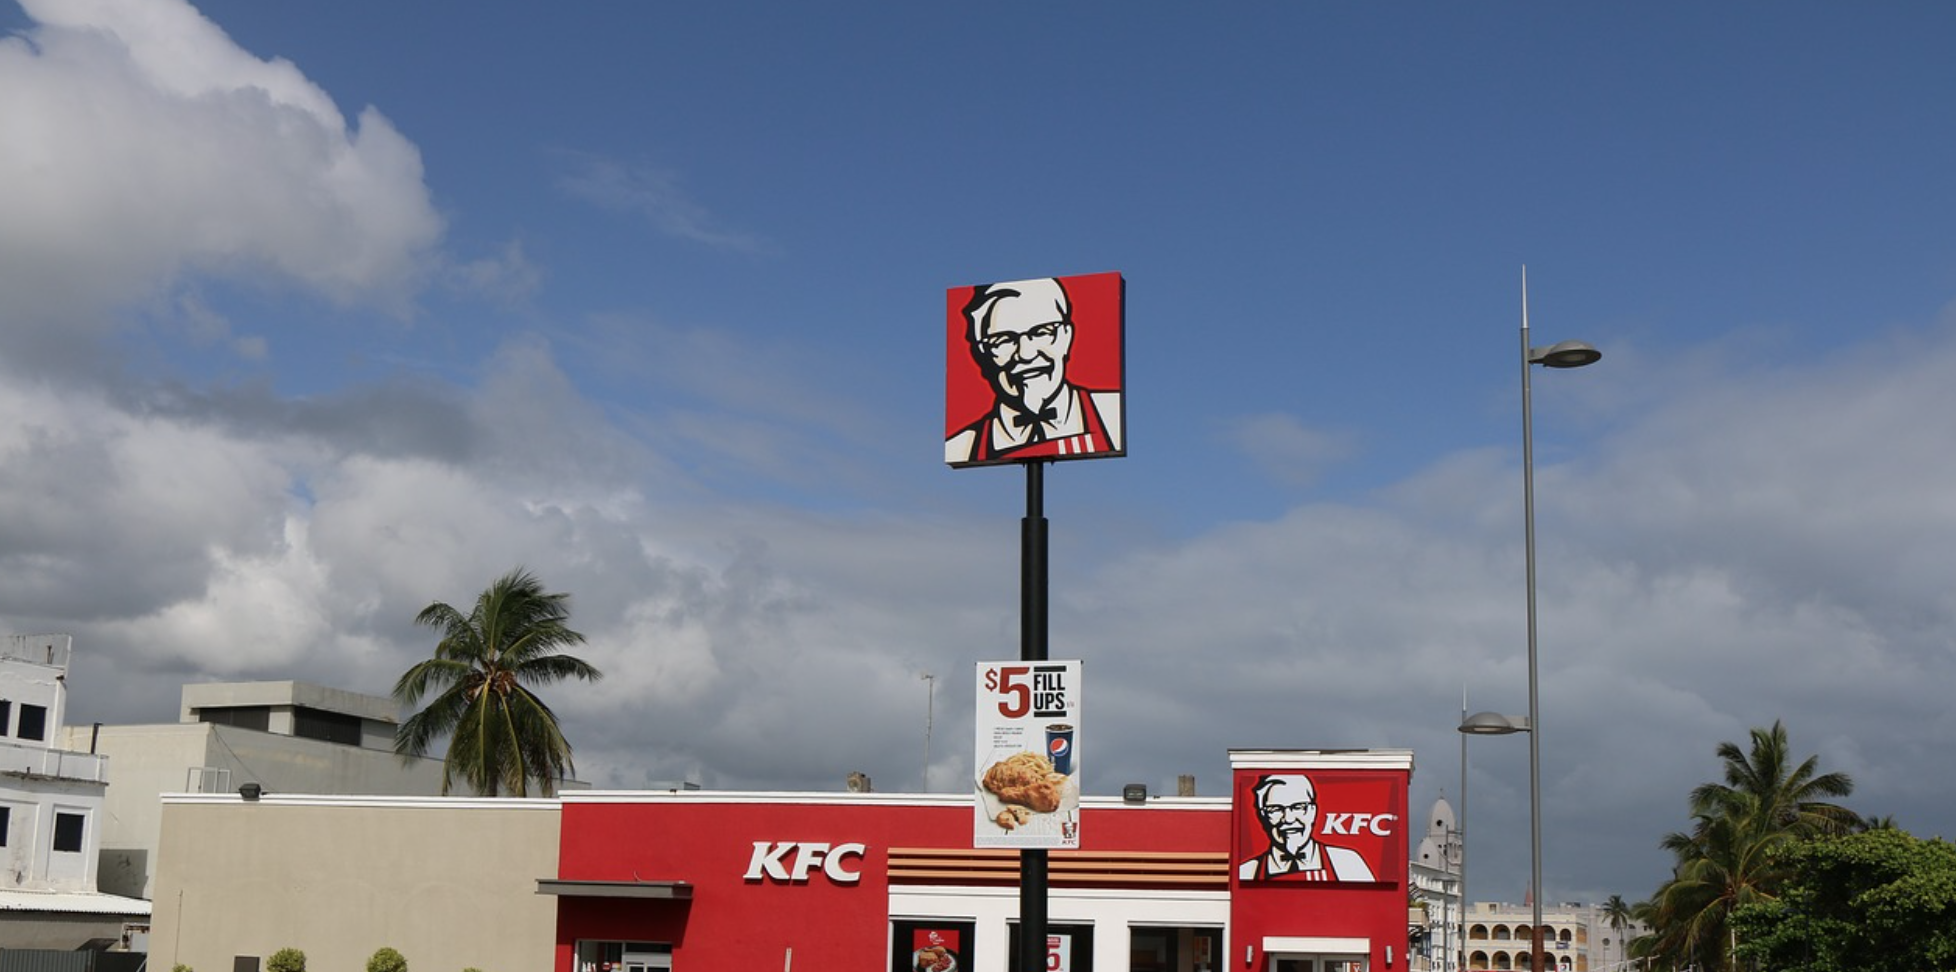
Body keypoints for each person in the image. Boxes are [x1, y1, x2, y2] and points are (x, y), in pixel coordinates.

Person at [946, 277, 1123, 465]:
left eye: (1041, 332)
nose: (1026, 354)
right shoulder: (963, 445)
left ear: (1066, 336)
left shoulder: (1109, 415)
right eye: (1003, 340)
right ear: (983, 353)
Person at [1238, 772, 1377, 882]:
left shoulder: (1346, 863)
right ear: (1263, 815)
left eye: (1298, 807)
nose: (1288, 819)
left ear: (1313, 811)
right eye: (1276, 809)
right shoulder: (1247, 872)